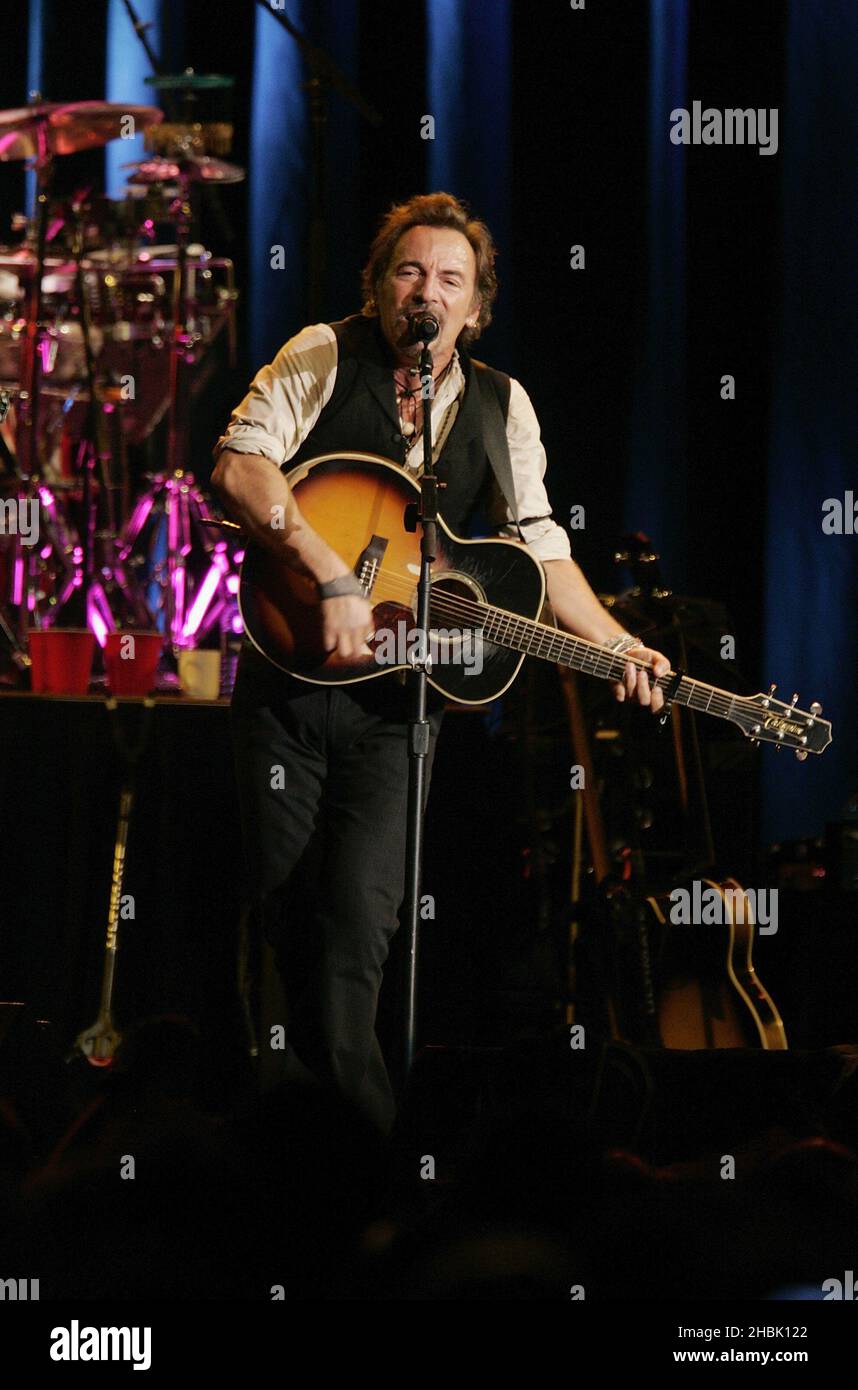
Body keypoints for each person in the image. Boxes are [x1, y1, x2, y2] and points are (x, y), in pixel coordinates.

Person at [212, 192, 669, 1134]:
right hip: (288, 687)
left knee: (359, 926)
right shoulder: (322, 353)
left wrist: (616, 645)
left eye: (450, 279)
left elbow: (542, 553)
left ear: (477, 306)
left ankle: (353, 1155)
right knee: (278, 918)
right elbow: (239, 465)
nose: (427, 291)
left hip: (400, 713)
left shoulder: (504, 406)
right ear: (379, 286)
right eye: (409, 271)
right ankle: (289, 1149)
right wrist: (332, 572)